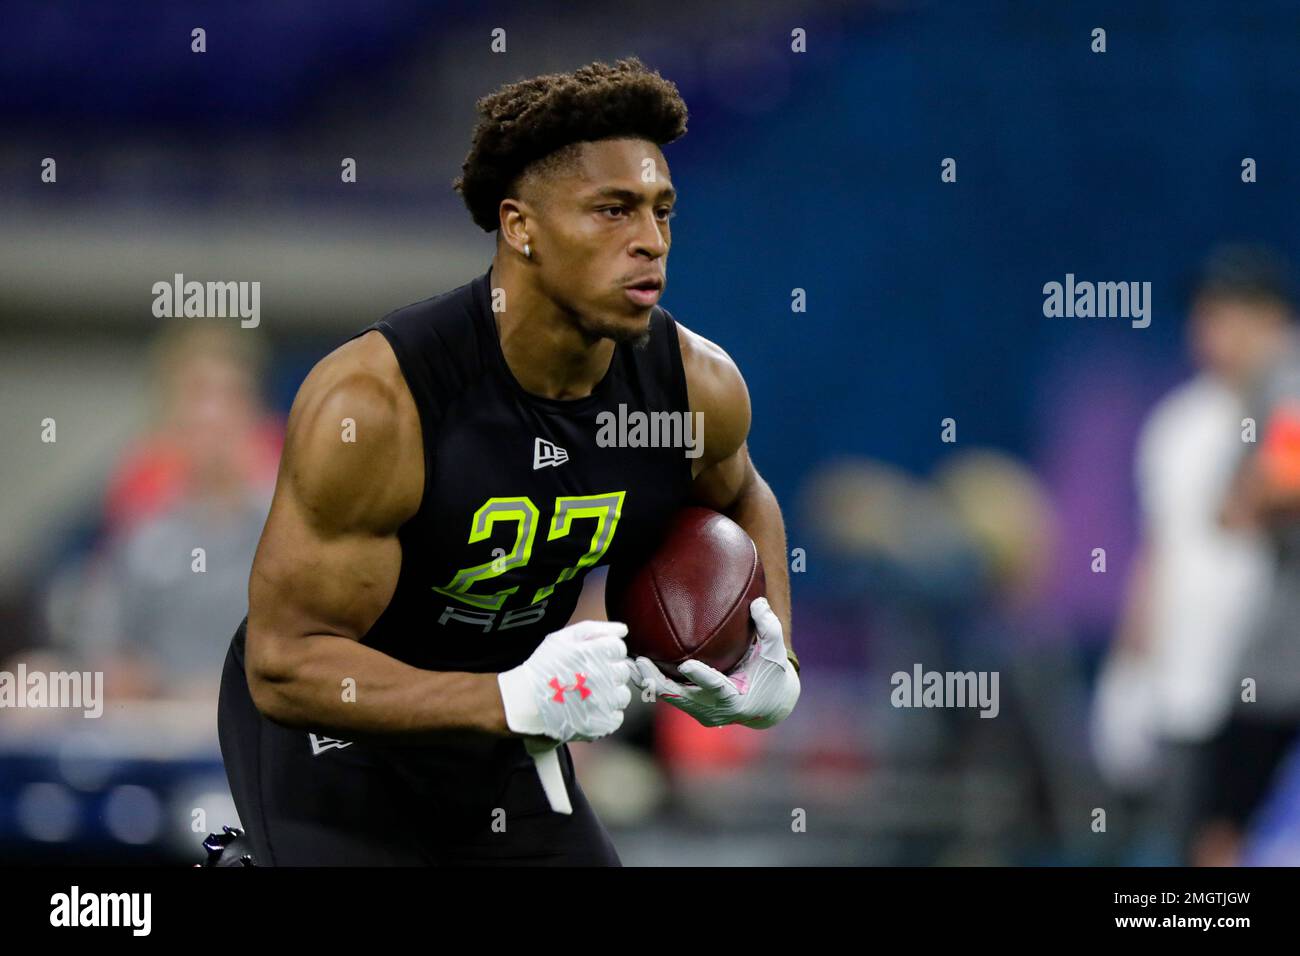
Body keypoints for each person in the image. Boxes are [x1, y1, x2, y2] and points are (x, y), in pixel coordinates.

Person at [217, 57, 801, 866]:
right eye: (613, 210)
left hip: (509, 730)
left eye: (663, 212)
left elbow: (742, 494)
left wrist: (774, 659)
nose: (651, 242)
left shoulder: (693, 388)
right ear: (520, 227)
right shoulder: (379, 404)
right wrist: (508, 696)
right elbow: (283, 666)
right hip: (337, 740)